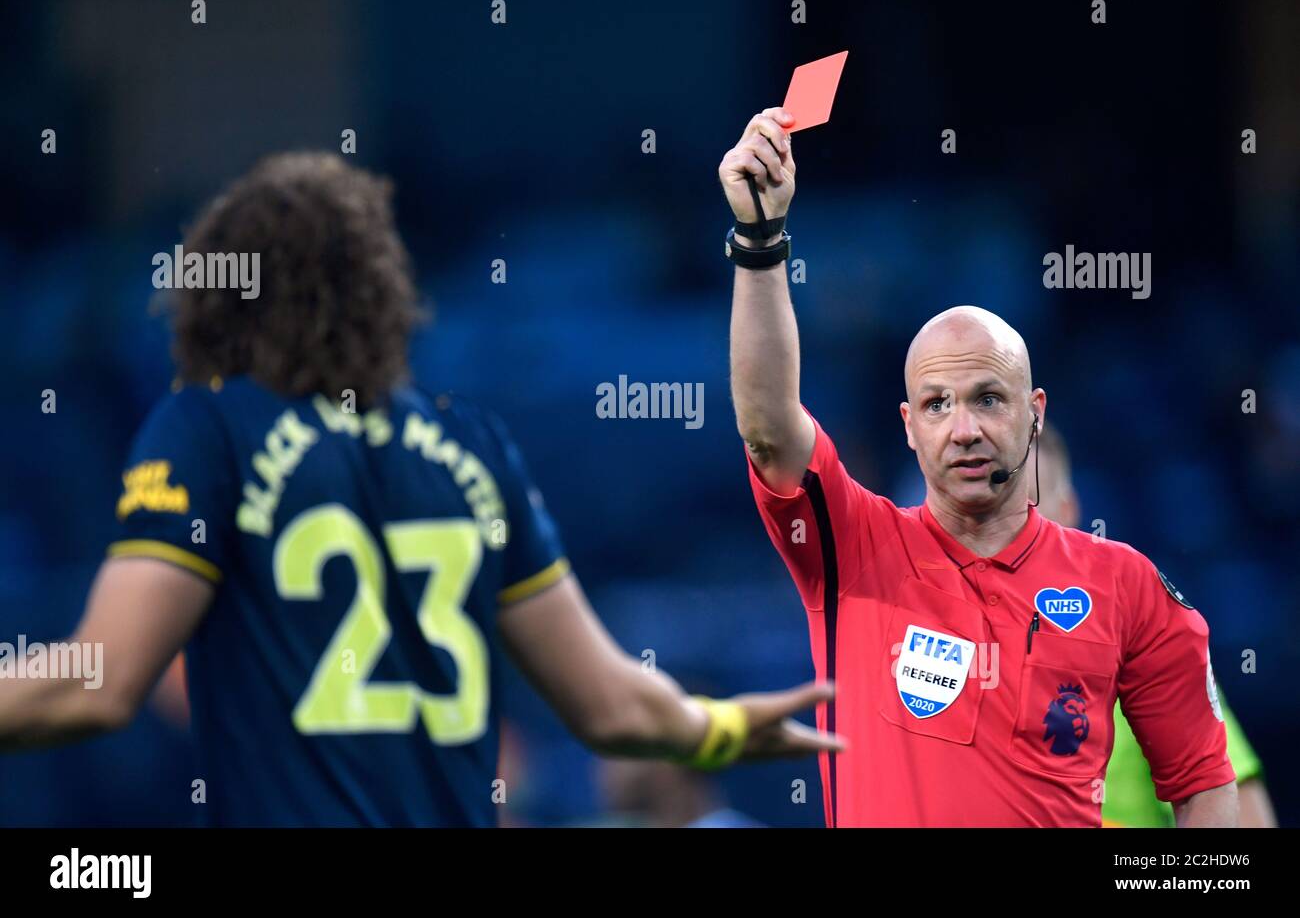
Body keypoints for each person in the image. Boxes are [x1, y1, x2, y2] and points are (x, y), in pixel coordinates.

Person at [0, 152, 839, 826]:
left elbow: (96, 684)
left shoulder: (207, 431)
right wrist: (722, 726)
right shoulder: (470, 446)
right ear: (380, 297)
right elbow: (613, 702)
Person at [720, 107, 1237, 826]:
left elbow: (1205, 782)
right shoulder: (853, 546)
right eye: (935, 404)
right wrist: (759, 239)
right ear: (907, 426)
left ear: (1035, 411)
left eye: (989, 398)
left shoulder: (1129, 587)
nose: (963, 429)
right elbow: (768, 428)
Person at [1032, 423, 1277, 827]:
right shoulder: (947, 657)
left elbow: (1245, 819)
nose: (1016, 525)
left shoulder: (1143, 654)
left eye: (1032, 503)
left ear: (1069, 511)